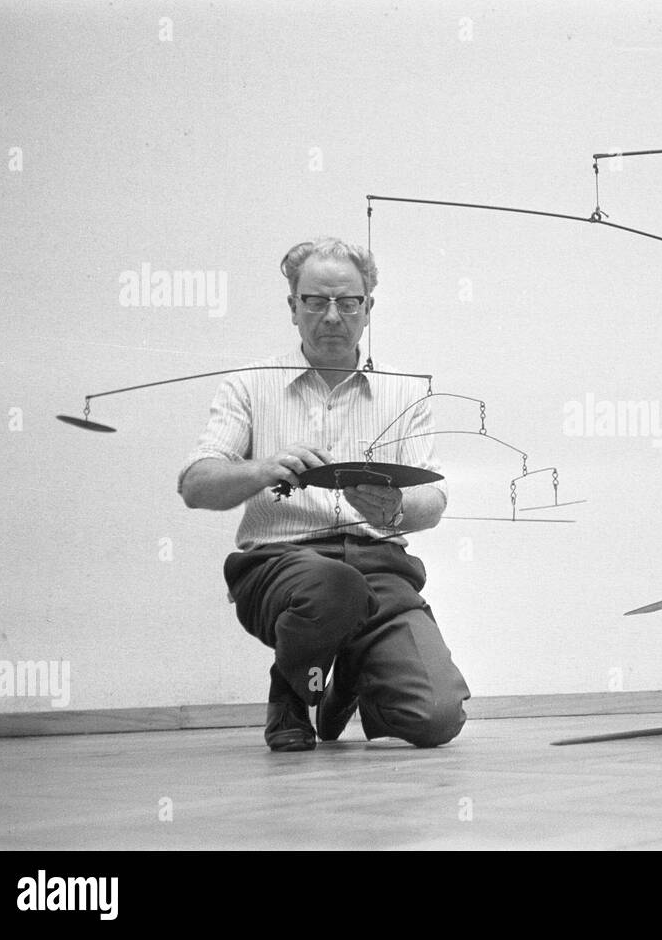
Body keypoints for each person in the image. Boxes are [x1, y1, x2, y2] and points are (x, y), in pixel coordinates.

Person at [178, 237, 469, 752]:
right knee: (331, 586)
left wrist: (398, 508)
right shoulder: (250, 385)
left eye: (347, 302)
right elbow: (195, 485)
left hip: (381, 569)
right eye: (315, 301)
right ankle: (292, 693)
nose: (332, 316)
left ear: (367, 308)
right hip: (281, 567)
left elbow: (435, 501)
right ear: (293, 307)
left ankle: (348, 677)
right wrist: (262, 469)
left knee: (435, 718)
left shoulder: (405, 391)